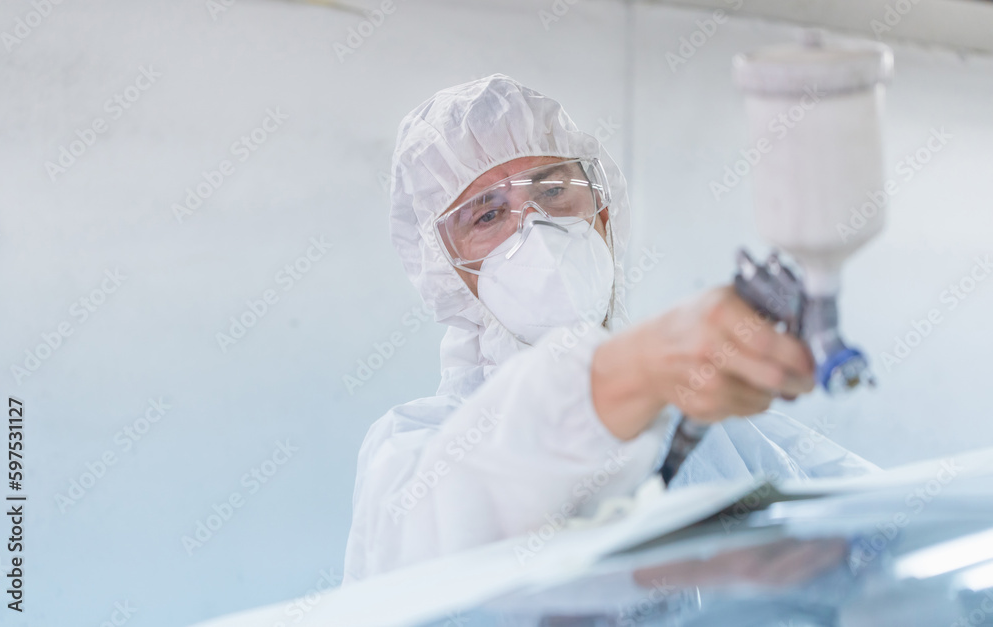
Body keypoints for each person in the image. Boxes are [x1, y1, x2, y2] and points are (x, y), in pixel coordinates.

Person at [342, 74, 876, 584]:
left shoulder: (727, 436)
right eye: (487, 217)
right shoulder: (414, 452)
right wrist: (630, 371)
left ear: (602, 210)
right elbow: (438, 537)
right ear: (449, 272)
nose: (537, 229)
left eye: (553, 192)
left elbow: (879, 532)